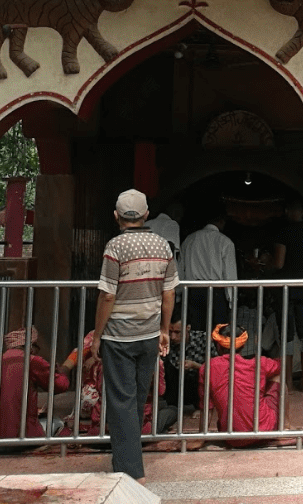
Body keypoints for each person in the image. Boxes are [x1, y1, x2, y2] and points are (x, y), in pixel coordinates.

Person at [91, 188, 178, 484]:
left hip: (119, 336)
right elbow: (169, 293)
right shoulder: (163, 246)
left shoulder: (114, 248)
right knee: (138, 400)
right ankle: (130, 462)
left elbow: (106, 297)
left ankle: (130, 471)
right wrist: (164, 329)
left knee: (122, 402)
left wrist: (98, 335)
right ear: (146, 215)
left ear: (116, 216)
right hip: (149, 334)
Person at [198, 324, 283, 447]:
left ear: (218, 346)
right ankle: (285, 427)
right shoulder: (259, 363)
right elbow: (280, 366)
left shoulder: (207, 367)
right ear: (243, 346)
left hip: (230, 438)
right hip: (263, 432)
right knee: (277, 377)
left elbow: (206, 407)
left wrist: (201, 437)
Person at [271, 199, 303, 390]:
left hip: (285, 287)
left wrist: (263, 264)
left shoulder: (283, 231)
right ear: (302, 211)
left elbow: (278, 263)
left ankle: (287, 384)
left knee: (286, 336)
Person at [1, 327, 70, 442]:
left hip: (1, 437)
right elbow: (60, 385)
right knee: (57, 422)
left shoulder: (2, 360)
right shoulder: (32, 360)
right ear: (31, 346)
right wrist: (63, 372)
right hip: (23, 436)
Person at [180, 208, 237, 328]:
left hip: (192, 291)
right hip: (216, 293)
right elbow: (230, 275)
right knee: (218, 334)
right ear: (222, 221)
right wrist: (232, 302)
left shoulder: (189, 239)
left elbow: (180, 269)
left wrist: (179, 294)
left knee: (195, 331)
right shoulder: (225, 242)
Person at [165, 304, 217, 413]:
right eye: (170, 332)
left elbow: (217, 370)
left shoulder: (203, 339)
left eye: (177, 332)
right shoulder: (166, 341)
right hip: (174, 391)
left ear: (188, 328)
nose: (173, 337)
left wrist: (195, 366)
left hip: (198, 389)